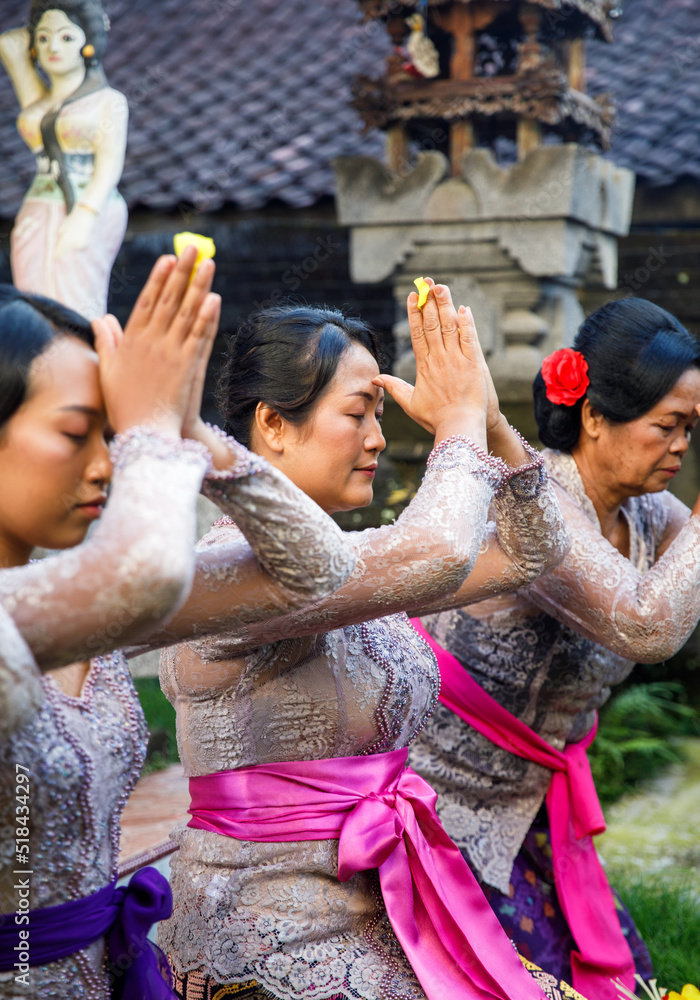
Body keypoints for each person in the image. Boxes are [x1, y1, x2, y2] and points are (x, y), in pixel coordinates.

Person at [154, 282, 577, 1000]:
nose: (380, 437)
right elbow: (443, 549)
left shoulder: (357, 563)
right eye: (359, 413)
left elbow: (534, 550)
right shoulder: (237, 569)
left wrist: (491, 419)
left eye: (380, 414)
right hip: (268, 940)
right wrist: (457, 426)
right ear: (273, 425)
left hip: (374, 906)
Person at [0, 248, 356, 999]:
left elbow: (317, 569)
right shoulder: (107, 595)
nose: (107, 466)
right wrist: (151, 436)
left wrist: (194, 429)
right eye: (78, 434)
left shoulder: (84, 599)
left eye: (113, 434)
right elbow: (146, 577)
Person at [409, 297, 700, 998]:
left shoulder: (647, 514)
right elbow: (647, 625)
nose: (684, 446)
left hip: (532, 810)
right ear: (595, 416)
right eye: (669, 426)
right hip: (438, 806)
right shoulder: (535, 505)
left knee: (628, 983)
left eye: (692, 428)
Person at [0, 0, 127, 317]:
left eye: (66, 37)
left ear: (88, 42)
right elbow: (42, 121)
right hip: (38, 207)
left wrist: (83, 217)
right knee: (35, 302)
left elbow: (109, 167)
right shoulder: (43, 102)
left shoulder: (109, 102)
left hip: (88, 204)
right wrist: (16, 61)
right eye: (43, 38)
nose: (53, 46)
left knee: (77, 300)